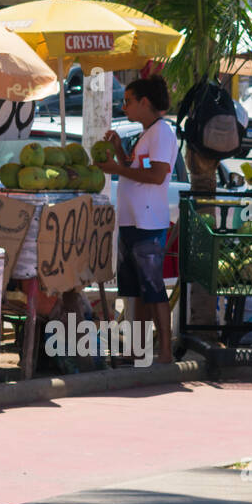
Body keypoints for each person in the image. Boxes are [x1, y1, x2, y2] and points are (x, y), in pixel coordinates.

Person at [95, 75, 177, 365]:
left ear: (145, 102)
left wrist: (116, 167)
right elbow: (138, 167)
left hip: (148, 223)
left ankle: (165, 351)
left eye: (128, 101)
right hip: (133, 222)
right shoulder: (148, 133)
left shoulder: (162, 132)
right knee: (137, 293)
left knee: (153, 291)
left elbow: (156, 176)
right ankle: (138, 349)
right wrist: (120, 153)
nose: (124, 106)